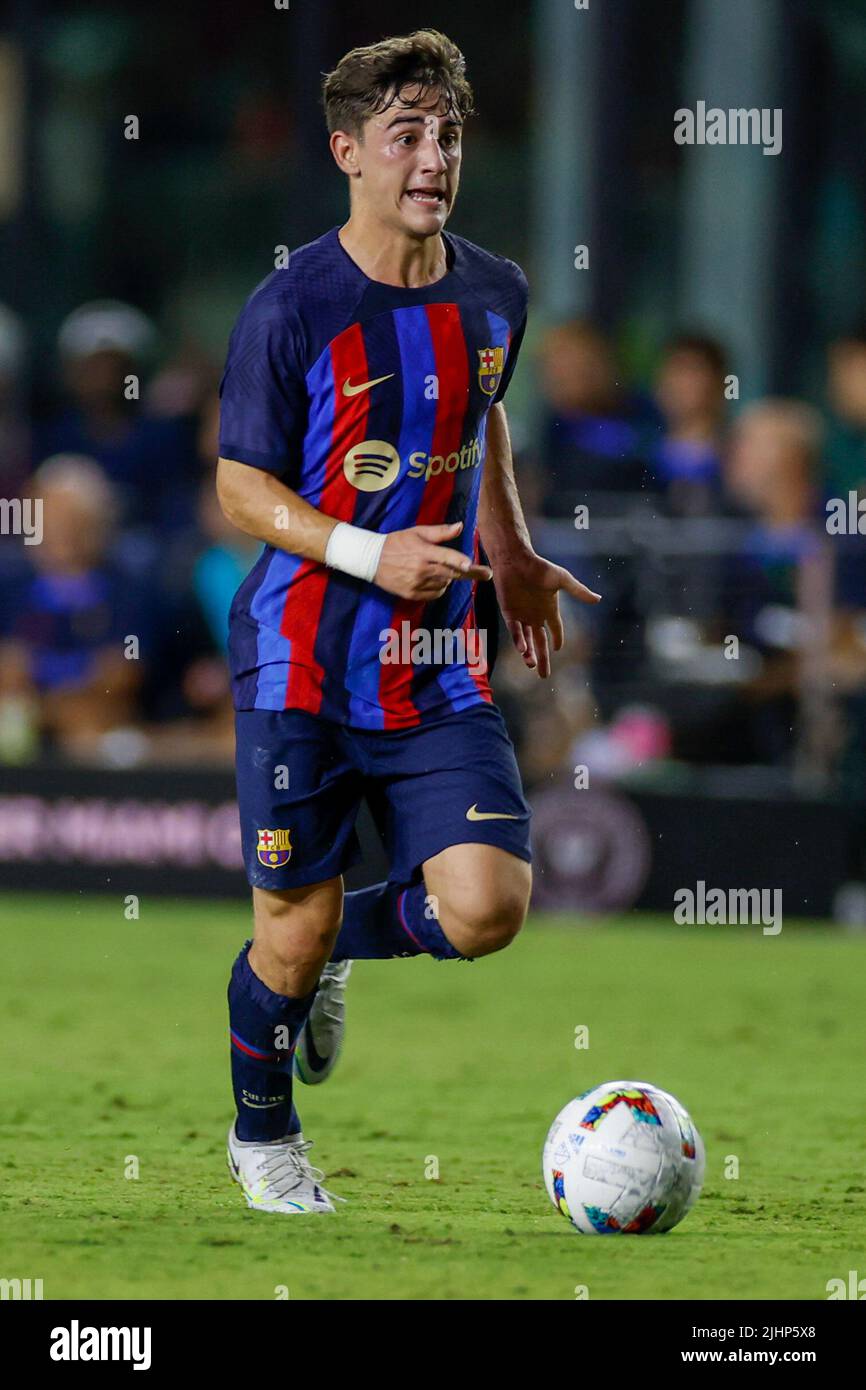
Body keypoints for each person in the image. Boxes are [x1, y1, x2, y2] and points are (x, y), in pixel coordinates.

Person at [216, 28, 600, 1213]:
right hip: (300, 661)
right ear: (347, 152)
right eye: (405, 136)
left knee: (485, 907)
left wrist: (511, 546)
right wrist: (366, 550)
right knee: (285, 934)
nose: (432, 158)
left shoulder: (496, 290)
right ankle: (263, 1138)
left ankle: (336, 949)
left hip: (433, 662)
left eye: (447, 135)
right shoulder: (292, 306)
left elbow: (480, 416)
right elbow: (240, 488)